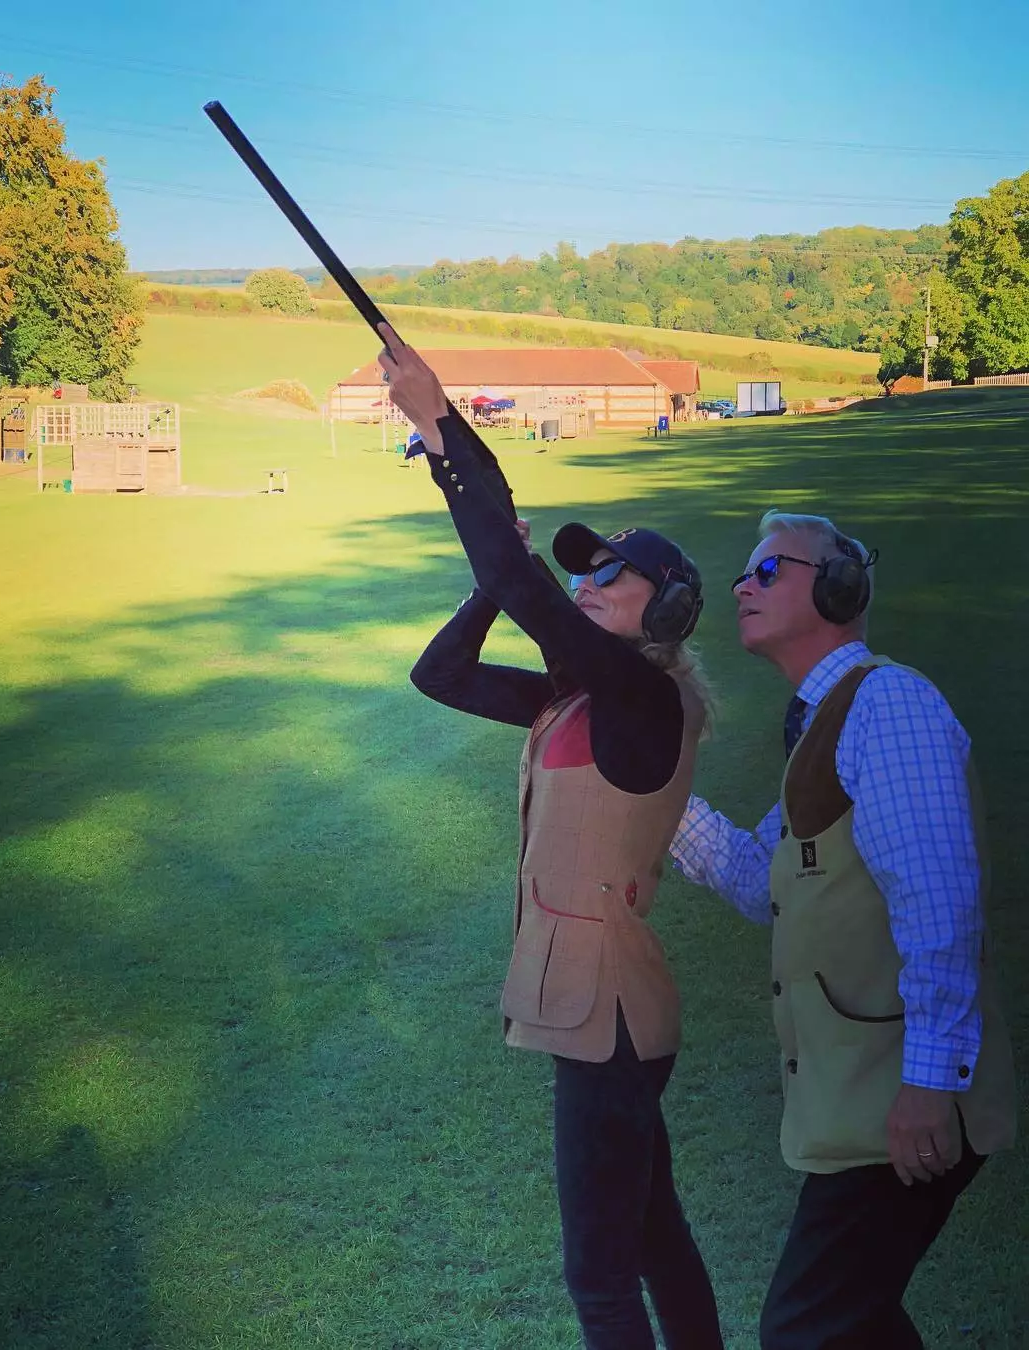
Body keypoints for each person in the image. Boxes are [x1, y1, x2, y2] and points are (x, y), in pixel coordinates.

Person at [380, 323, 724, 1350]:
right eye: (584, 574)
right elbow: (439, 677)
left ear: (661, 612)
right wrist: (496, 572)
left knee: (600, 1277)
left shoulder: (643, 698)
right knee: (654, 1241)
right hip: (599, 1010)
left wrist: (442, 433)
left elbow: (530, 588)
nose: (586, 586)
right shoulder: (581, 697)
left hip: (604, 1018)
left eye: (609, 581)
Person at [670, 509, 1017, 1350]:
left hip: (902, 1099)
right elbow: (764, 881)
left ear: (838, 587)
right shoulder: (827, 725)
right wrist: (653, 795)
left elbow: (940, 900)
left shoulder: (888, 705)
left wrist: (930, 1084)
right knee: (852, 1321)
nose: (741, 587)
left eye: (767, 571)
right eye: (744, 575)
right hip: (861, 1099)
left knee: (805, 1324)